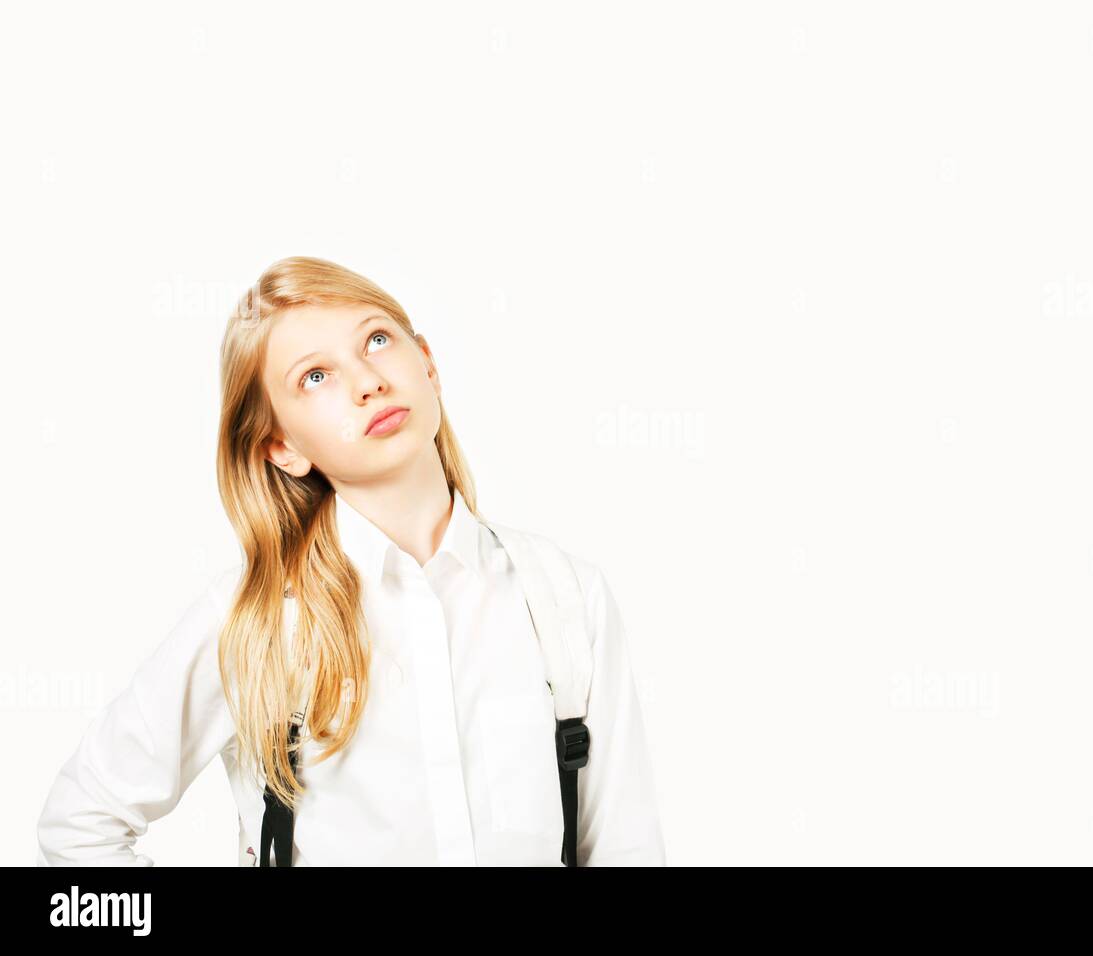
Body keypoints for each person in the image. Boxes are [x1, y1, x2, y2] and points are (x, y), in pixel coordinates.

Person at [35, 255, 667, 866]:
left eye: (376, 341)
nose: (368, 382)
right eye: (315, 376)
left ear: (428, 363)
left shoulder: (562, 596)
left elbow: (624, 849)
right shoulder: (253, 621)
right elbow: (80, 824)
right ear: (282, 446)